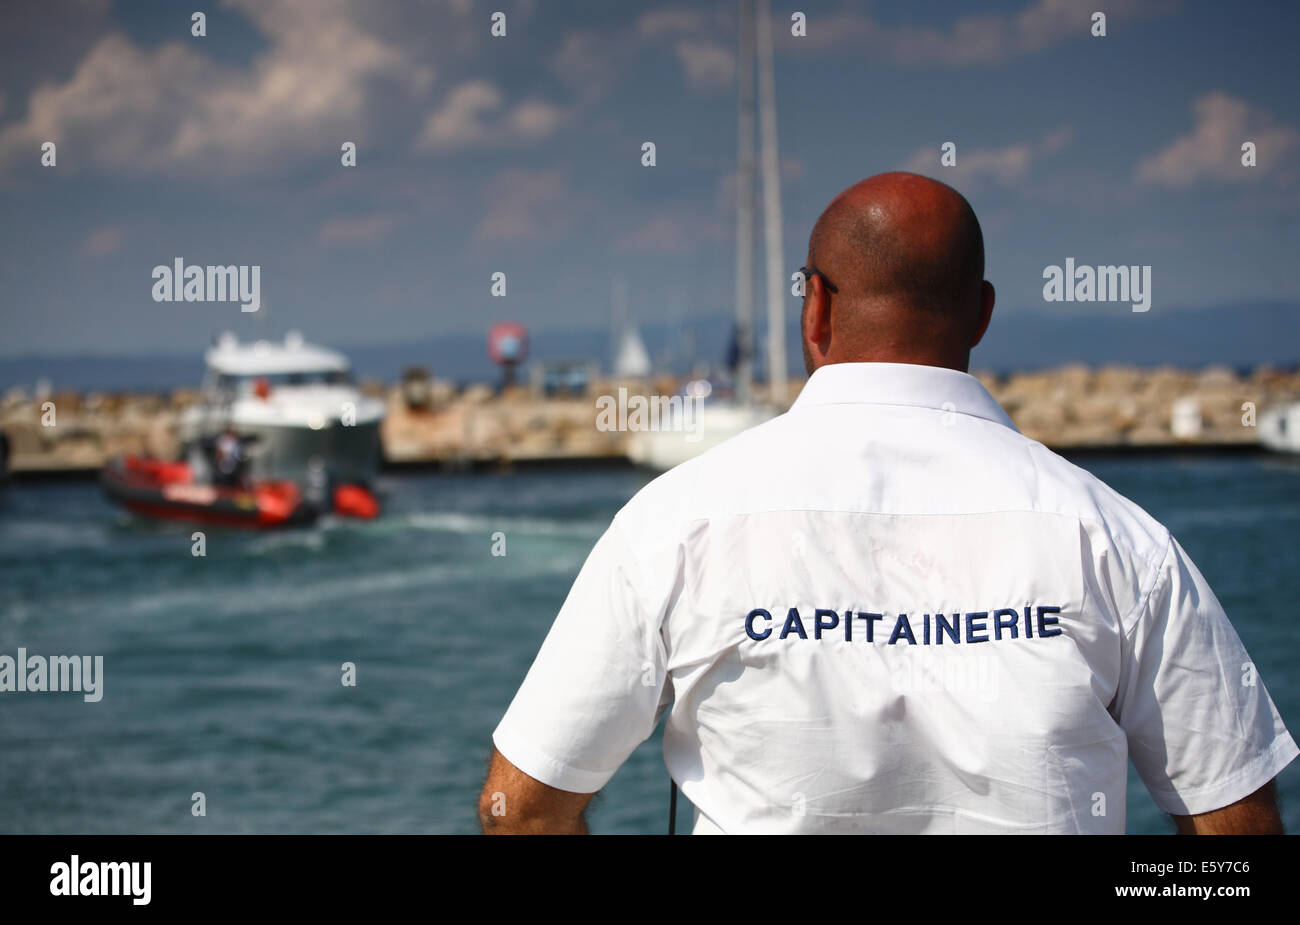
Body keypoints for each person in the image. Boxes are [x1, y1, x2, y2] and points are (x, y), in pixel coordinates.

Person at [480, 172, 1296, 835]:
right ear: (980, 314)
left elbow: (520, 808)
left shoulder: (676, 521)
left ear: (817, 308)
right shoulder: (1117, 539)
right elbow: (1236, 830)